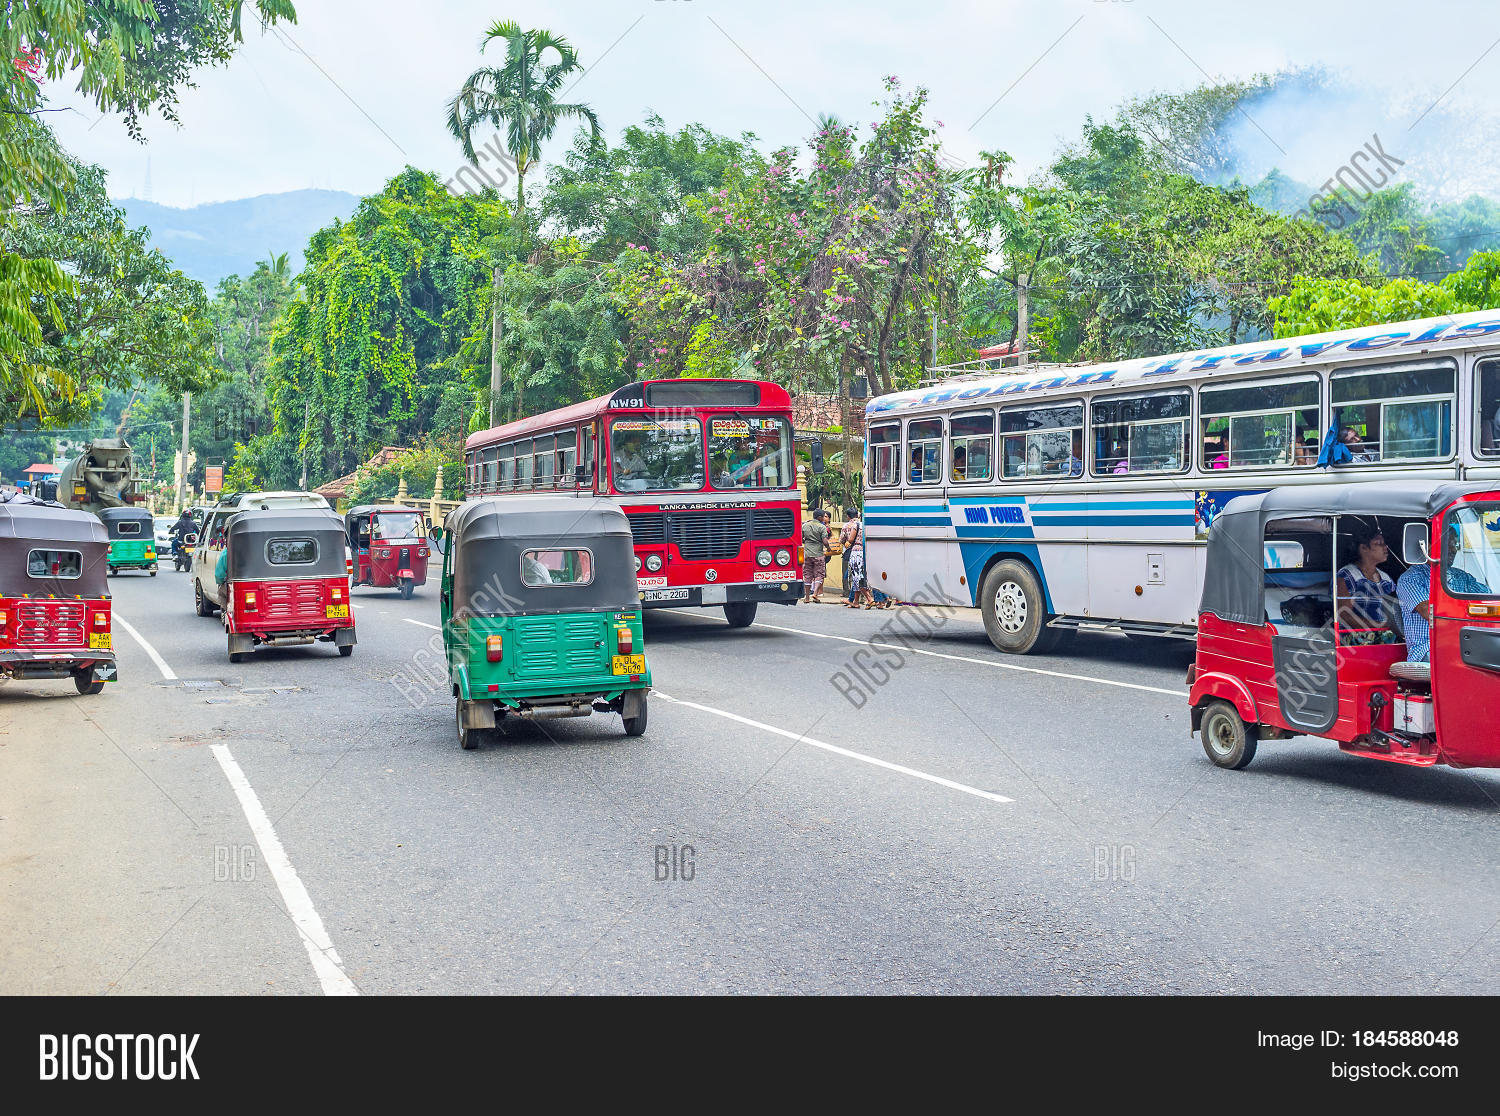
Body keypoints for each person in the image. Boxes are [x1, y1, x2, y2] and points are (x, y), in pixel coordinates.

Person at [1336, 522, 1397, 637]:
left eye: (1384, 543)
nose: (1385, 547)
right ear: (1364, 548)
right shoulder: (1347, 576)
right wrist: (1379, 626)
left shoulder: (1386, 579)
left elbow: (1395, 611)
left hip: (1384, 637)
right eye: (1379, 543)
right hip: (1355, 640)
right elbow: (1344, 616)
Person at [802, 508, 830, 602]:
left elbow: (801, 538)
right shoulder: (822, 527)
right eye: (823, 517)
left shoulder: (805, 525)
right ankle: (815, 594)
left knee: (807, 575)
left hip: (807, 554)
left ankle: (806, 598)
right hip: (818, 553)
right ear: (819, 517)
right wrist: (829, 548)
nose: (824, 519)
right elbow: (825, 541)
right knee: (820, 574)